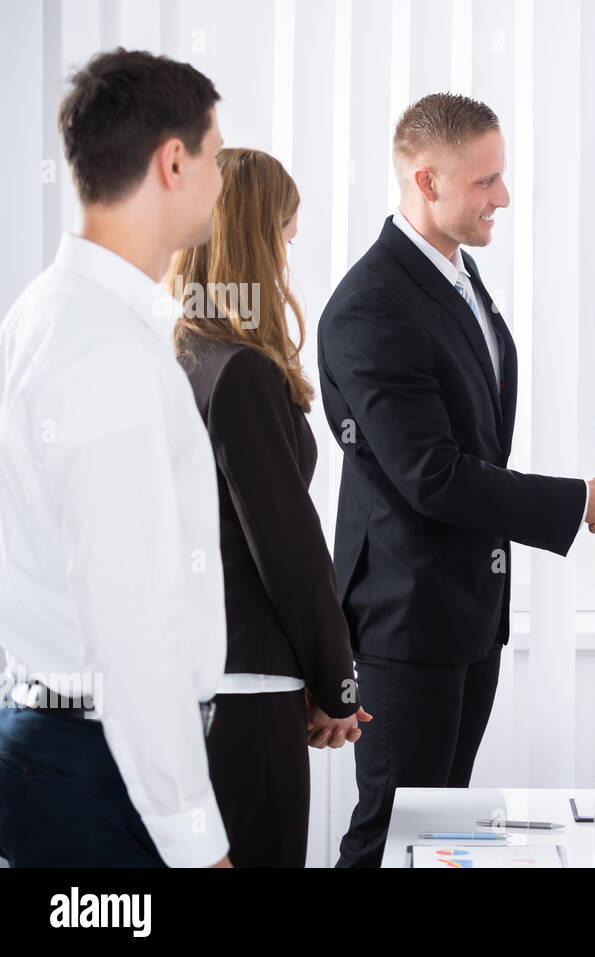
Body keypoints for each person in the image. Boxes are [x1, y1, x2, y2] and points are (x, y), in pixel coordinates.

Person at [318, 92, 595, 867]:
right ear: (427, 182)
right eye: (485, 182)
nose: (503, 197)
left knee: (438, 837)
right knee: (389, 836)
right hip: (407, 625)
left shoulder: (455, 277)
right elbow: (433, 476)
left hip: (465, 614)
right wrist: (576, 502)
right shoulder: (372, 305)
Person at [0, 49, 232, 867]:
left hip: (76, 751)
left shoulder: (53, 313)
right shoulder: (102, 350)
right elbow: (129, 624)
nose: (219, 180)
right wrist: (198, 841)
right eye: (215, 157)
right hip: (99, 770)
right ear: (173, 161)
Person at [168, 147, 372, 867]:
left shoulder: (177, 356)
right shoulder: (243, 372)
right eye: (285, 231)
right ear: (255, 238)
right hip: (248, 690)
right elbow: (287, 549)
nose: (291, 249)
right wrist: (337, 685)